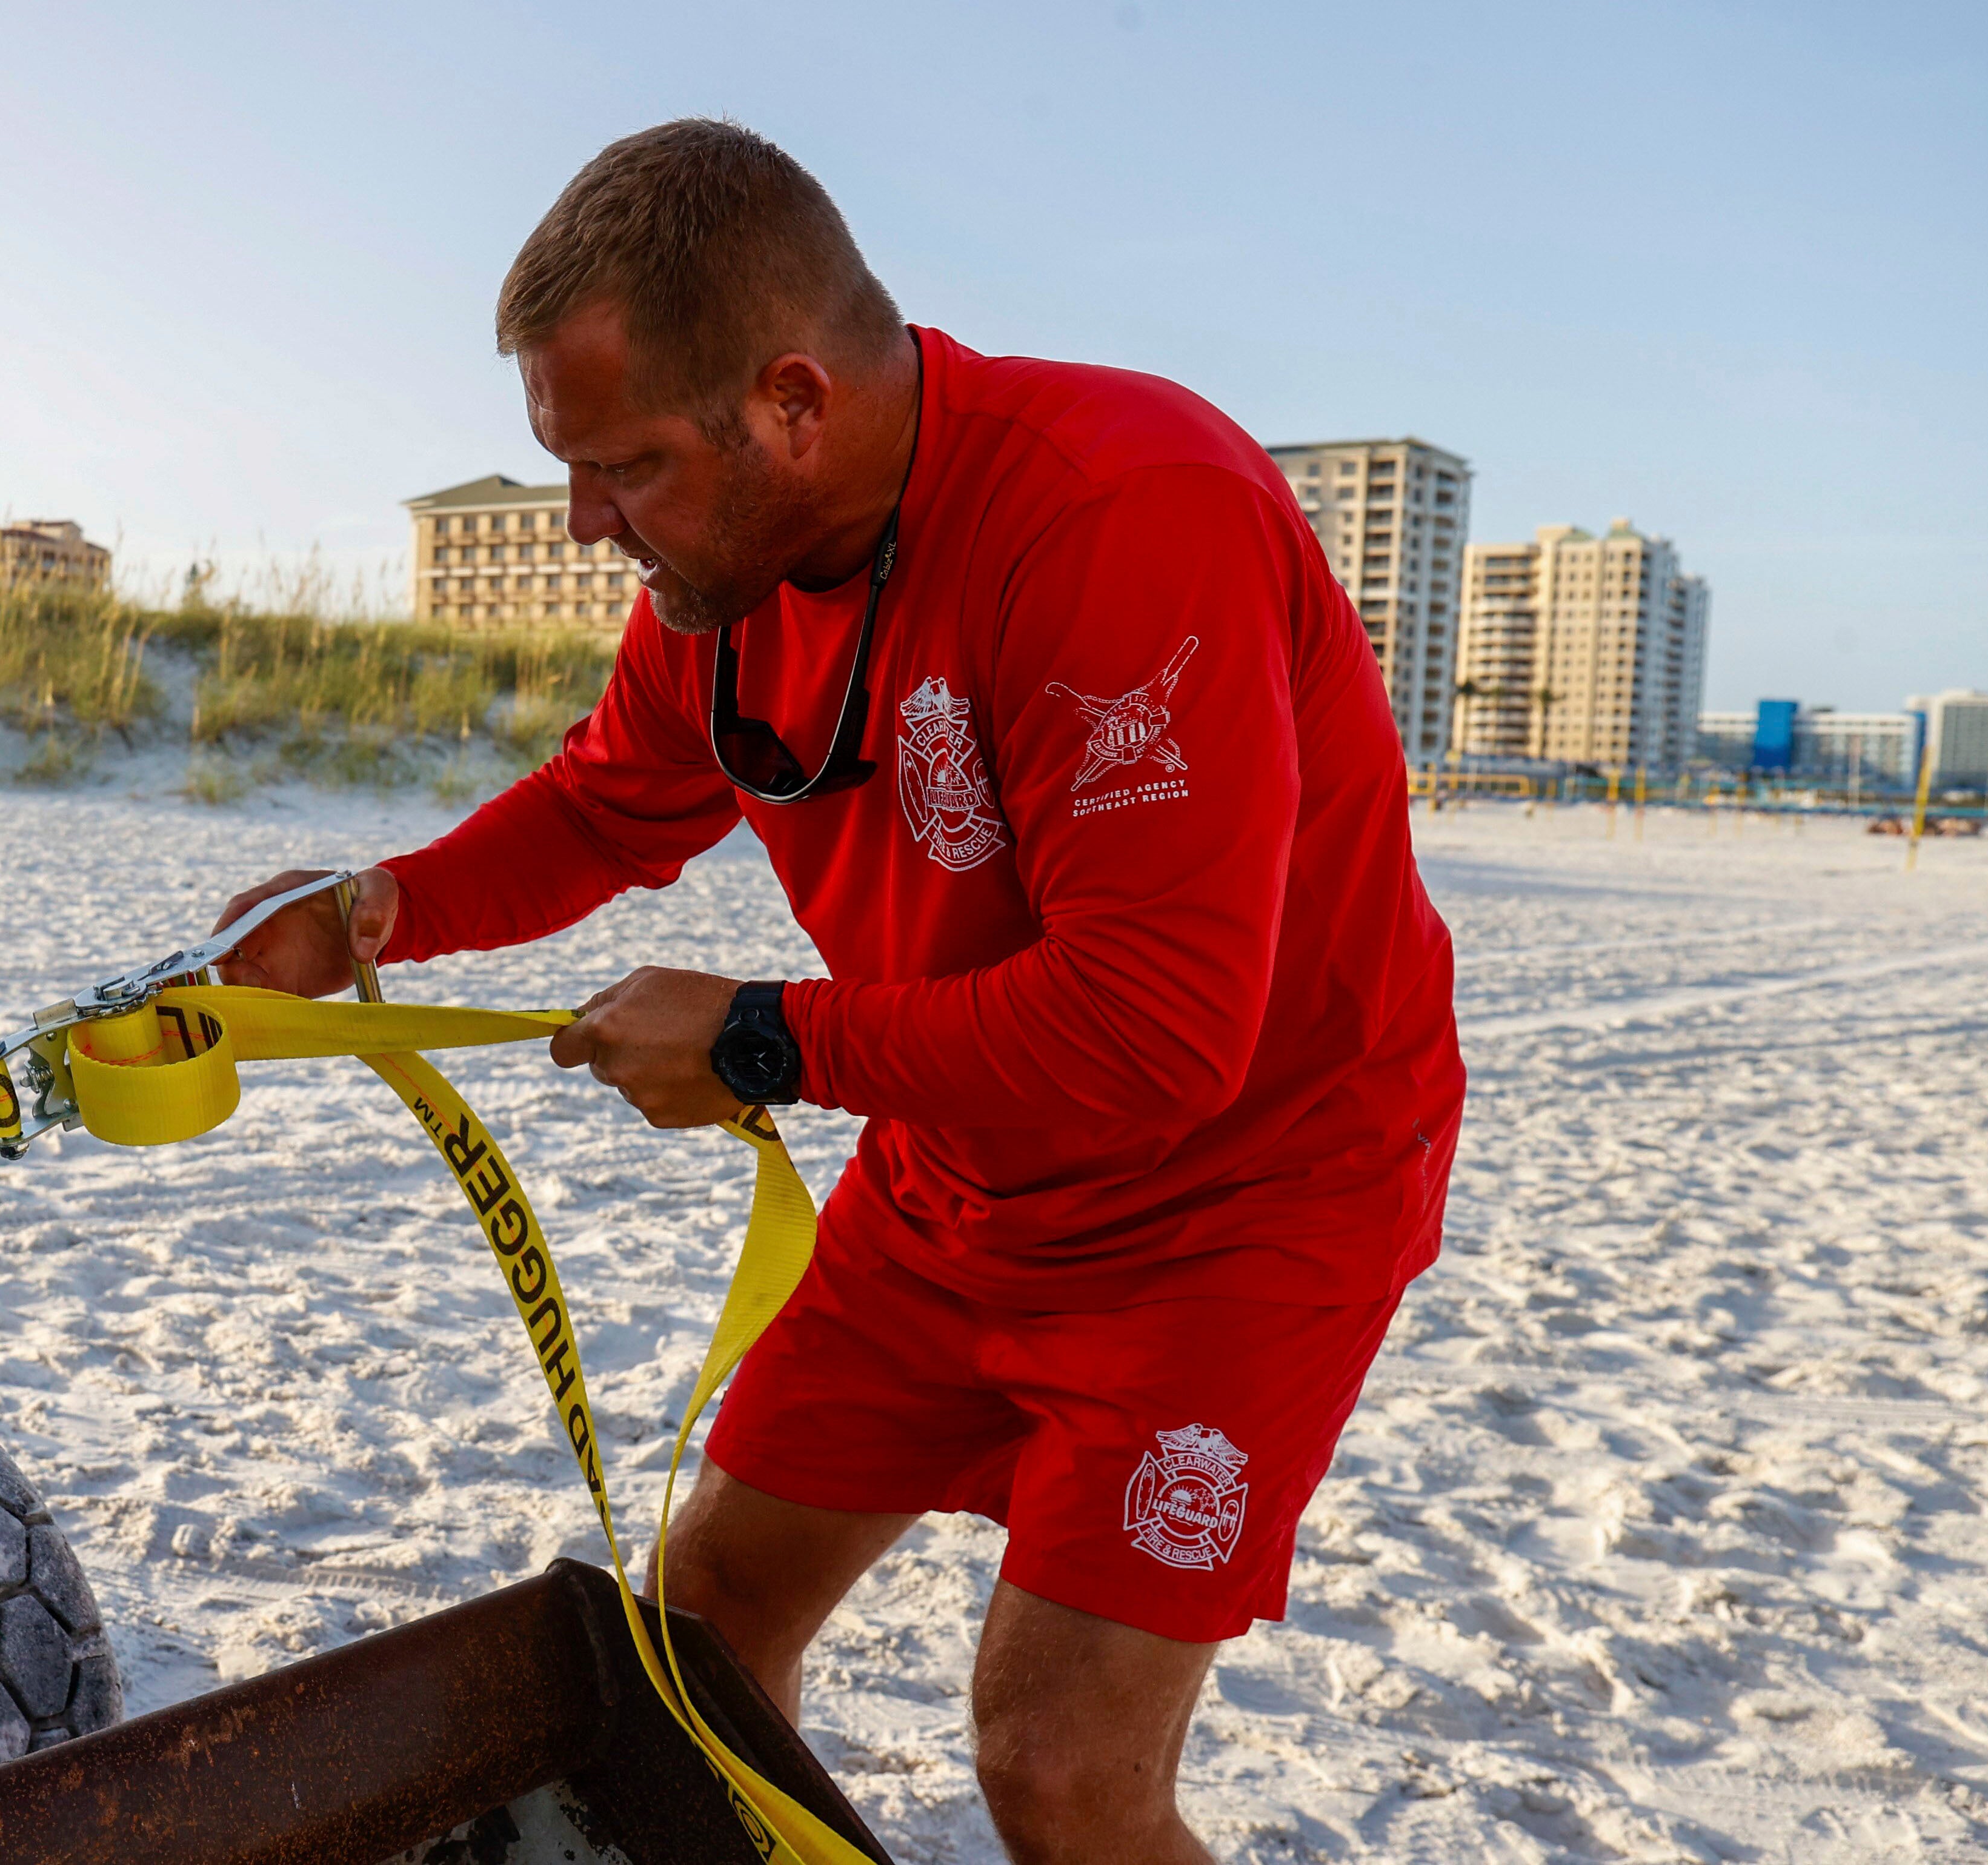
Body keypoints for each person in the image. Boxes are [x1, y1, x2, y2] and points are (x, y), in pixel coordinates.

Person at [213, 119, 1460, 1865]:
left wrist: (758, 1037)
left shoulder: (1121, 509)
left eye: (625, 467)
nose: (584, 524)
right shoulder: (723, 579)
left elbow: (1158, 1030)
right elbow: (606, 806)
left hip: (1238, 1202)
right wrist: (378, 914)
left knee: (1060, 1770)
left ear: (793, 402)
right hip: (962, 1167)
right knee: (696, 1641)